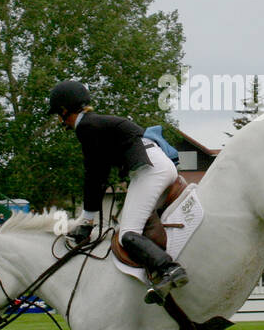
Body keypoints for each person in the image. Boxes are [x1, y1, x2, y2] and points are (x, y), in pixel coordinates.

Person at [48, 79, 188, 297]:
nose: (60, 121)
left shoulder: (85, 127)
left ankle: (168, 269)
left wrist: (86, 221)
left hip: (151, 171)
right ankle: (156, 272)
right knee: (140, 227)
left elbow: (94, 175)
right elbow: (100, 174)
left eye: (58, 114)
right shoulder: (95, 124)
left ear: (65, 109)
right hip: (159, 165)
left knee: (127, 234)